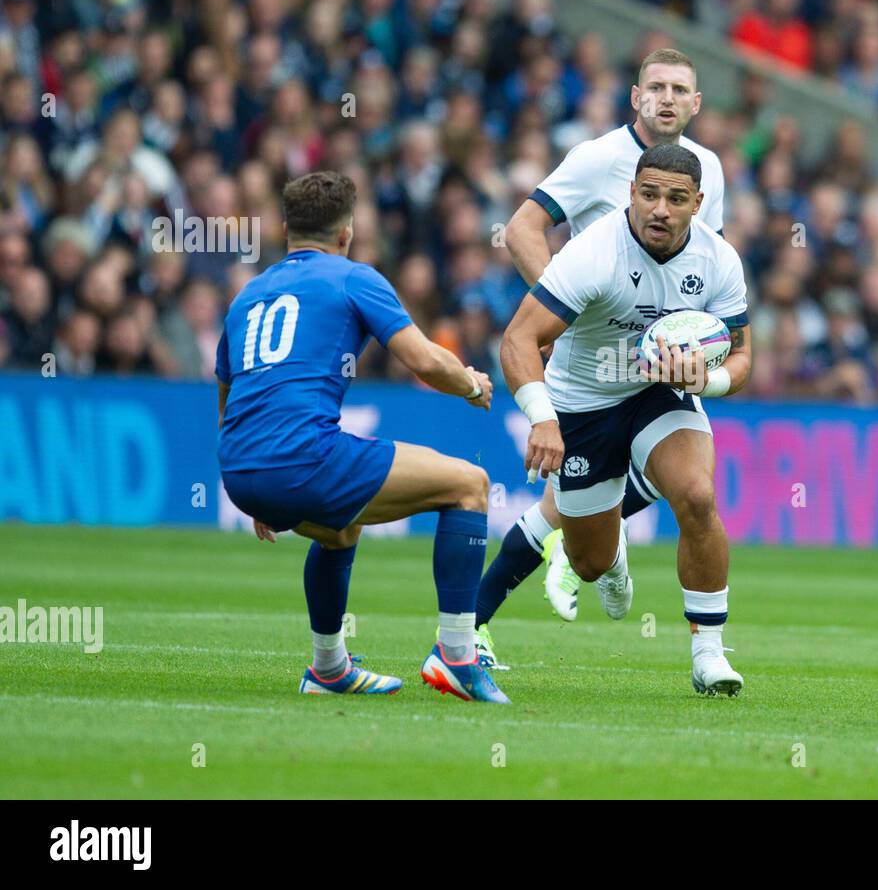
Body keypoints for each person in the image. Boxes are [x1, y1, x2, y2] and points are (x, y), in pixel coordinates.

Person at [474, 47, 726, 666]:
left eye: (679, 89)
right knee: (578, 533)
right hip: (590, 369)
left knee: (693, 490)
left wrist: (701, 346)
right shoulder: (597, 159)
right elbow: (521, 229)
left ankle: (708, 648)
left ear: (696, 104)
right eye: (656, 87)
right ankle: (598, 551)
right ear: (636, 97)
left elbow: (704, 262)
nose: (666, 98)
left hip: (656, 366)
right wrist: (558, 304)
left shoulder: (709, 169)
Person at [216, 171, 508, 703]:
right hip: (301, 459)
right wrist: (471, 382)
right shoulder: (354, 277)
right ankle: (457, 655)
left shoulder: (247, 296)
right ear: (347, 232)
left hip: (239, 468)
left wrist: (256, 481)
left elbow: (227, 392)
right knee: (470, 484)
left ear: (286, 229)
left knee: (338, 530)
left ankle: (328, 668)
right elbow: (423, 360)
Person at [499, 143, 751, 695]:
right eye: (650, 194)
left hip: (656, 391)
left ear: (698, 203)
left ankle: (709, 653)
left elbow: (743, 355)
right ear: (632, 193)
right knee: (587, 563)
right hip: (585, 399)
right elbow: (518, 339)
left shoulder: (718, 259)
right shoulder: (592, 254)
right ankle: (612, 556)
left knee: (697, 495)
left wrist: (702, 381)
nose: (661, 208)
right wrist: (542, 419)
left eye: (677, 198)